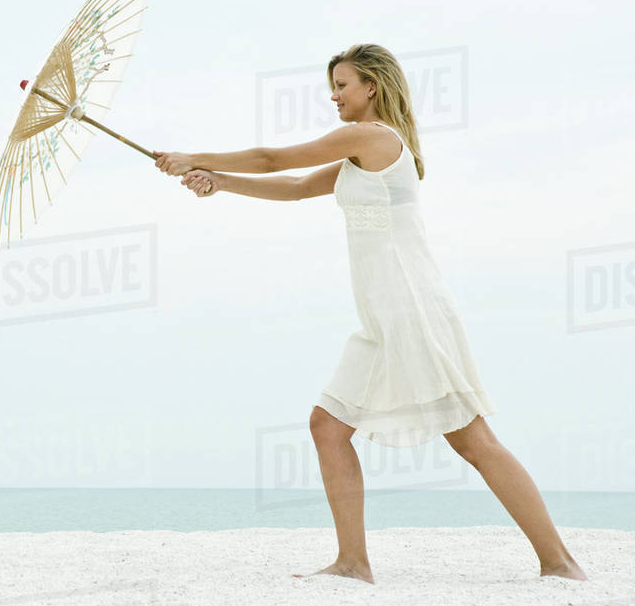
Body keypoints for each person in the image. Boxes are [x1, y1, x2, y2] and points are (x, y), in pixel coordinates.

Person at [151, 43, 586, 584]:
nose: (334, 96)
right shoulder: (359, 156)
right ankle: (353, 564)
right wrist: (218, 182)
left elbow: (274, 159)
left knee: (473, 441)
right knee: (327, 426)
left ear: (372, 87)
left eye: (342, 85)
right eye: (332, 86)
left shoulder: (374, 138)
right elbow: (290, 188)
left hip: (411, 311)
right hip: (379, 322)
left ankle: (560, 562)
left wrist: (198, 158)